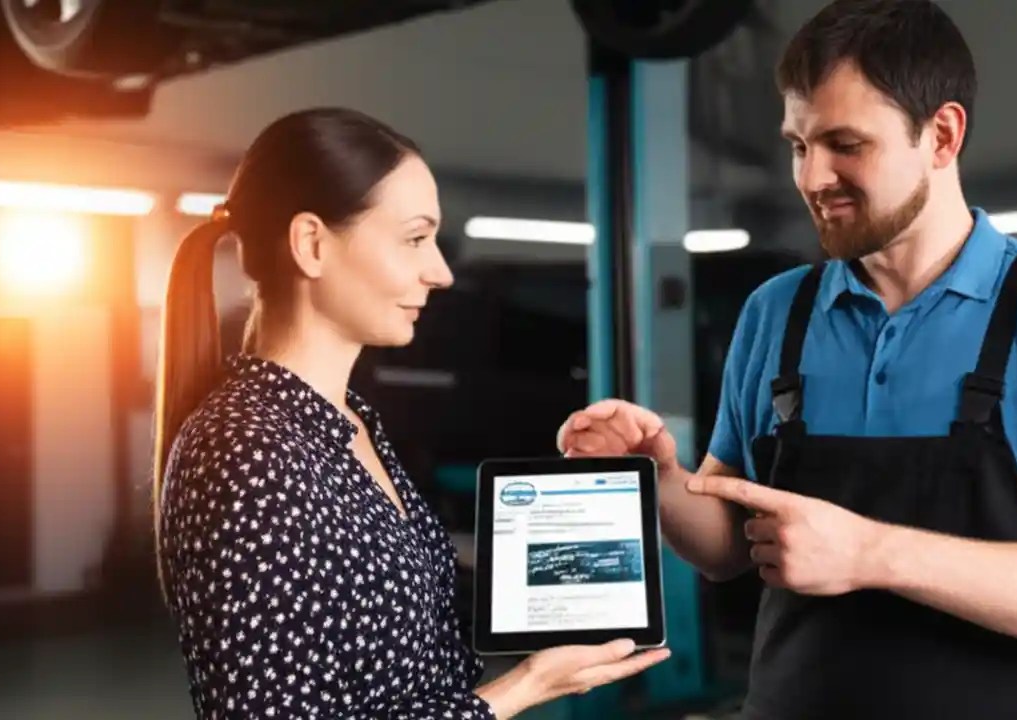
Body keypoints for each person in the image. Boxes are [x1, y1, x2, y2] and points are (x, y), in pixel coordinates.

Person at [557, 1, 1017, 718]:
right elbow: (730, 546)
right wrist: (660, 477)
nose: (813, 177)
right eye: (798, 145)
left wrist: (868, 554)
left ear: (942, 135)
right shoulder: (776, 311)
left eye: (846, 144)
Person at [153, 107, 669, 720]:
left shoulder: (349, 423)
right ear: (311, 244)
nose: (440, 271)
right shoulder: (247, 450)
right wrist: (524, 686)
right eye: (415, 238)